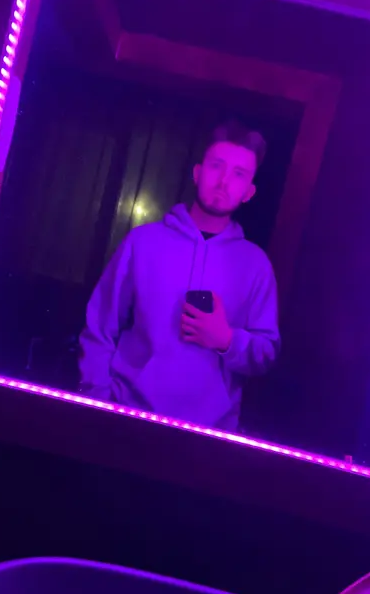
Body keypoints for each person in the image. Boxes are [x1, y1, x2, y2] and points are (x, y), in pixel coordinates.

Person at [79, 120, 280, 431]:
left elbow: (266, 354)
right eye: (217, 166)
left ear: (248, 192)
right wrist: (97, 403)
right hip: (126, 416)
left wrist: (226, 340)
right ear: (197, 173)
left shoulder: (256, 266)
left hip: (208, 435)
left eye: (239, 174)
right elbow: (100, 327)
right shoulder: (143, 242)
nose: (224, 181)